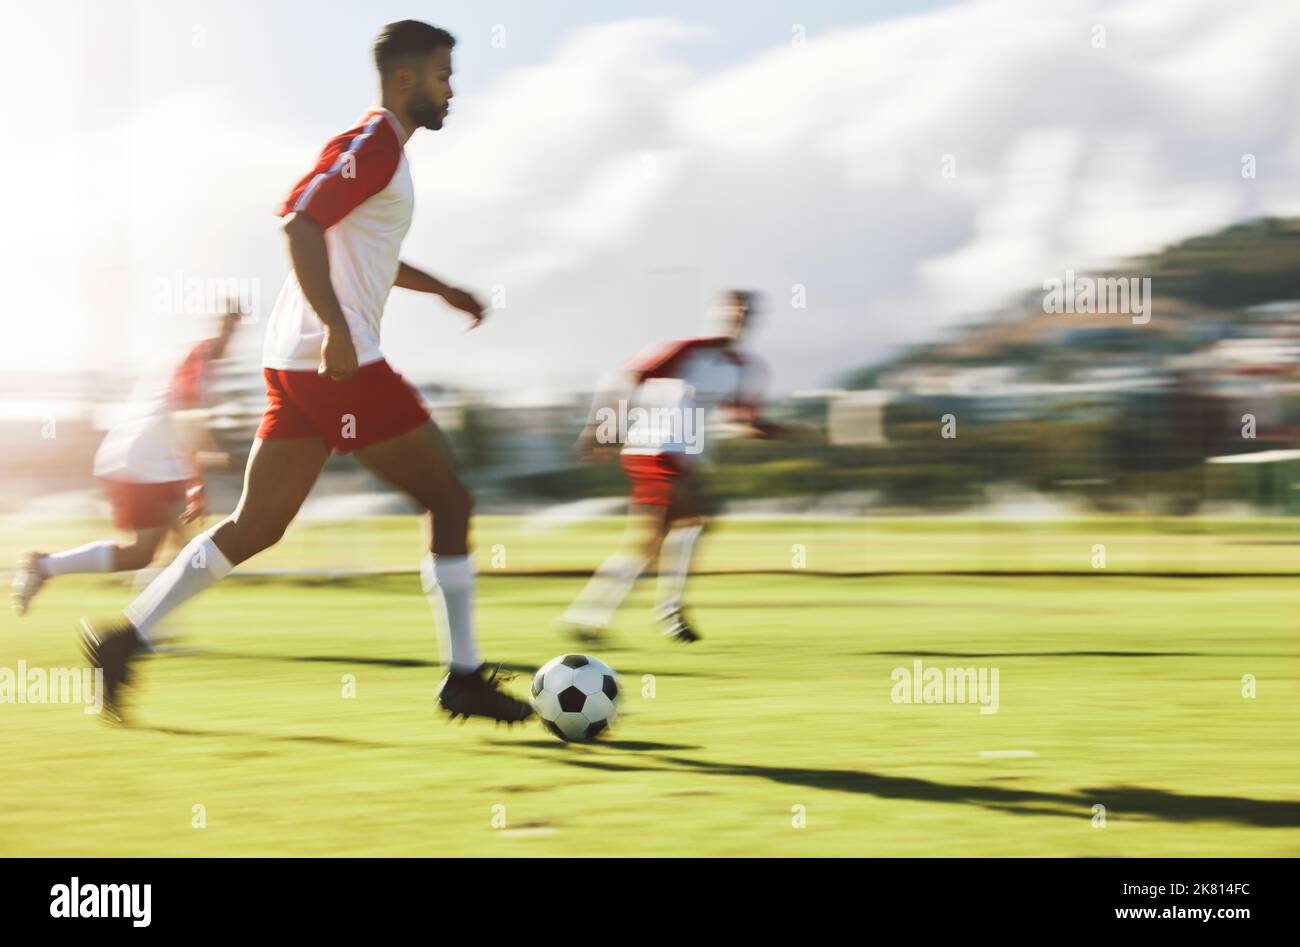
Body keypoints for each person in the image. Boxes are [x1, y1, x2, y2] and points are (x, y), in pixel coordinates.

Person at [79, 20, 533, 726]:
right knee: (449, 498)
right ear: (406, 79)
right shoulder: (378, 142)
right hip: (336, 366)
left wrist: (440, 288)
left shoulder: (379, 150)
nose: (453, 90)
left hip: (298, 365)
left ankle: (123, 639)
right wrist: (340, 332)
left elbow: (358, 247)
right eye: (444, 76)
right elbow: (299, 224)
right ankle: (464, 678)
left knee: (255, 525)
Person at [560, 290, 789, 643]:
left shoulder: (744, 368)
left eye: (744, 313)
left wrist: (784, 432)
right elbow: (624, 378)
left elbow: (747, 420)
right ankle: (669, 612)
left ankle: (589, 616)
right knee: (695, 520)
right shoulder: (687, 350)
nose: (738, 318)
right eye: (732, 311)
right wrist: (600, 428)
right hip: (655, 448)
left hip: (685, 455)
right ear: (718, 314)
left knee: (651, 543)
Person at [12, 308, 239, 617]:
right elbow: (187, 422)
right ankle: (44, 566)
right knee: (142, 554)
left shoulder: (182, 356)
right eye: (227, 323)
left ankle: (146, 627)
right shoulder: (199, 358)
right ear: (215, 323)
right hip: (146, 464)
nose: (230, 334)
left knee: (176, 548)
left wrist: (203, 463)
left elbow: (177, 422)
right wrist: (199, 479)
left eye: (235, 325)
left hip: (139, 456)